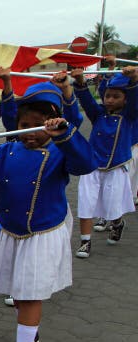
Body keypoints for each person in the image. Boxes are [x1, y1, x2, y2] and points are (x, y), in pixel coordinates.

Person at [0, 82, 95, 342]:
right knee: (19, 287)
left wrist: (64, 135)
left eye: (39, 126)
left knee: (29, 293)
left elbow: (86, 165)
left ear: (52, 124)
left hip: (42, 233)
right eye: (24, 125)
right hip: (10, 231)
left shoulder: (60, 151)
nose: (30, 131)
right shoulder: (7, 150)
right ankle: (31, 333)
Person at [72, 64, 138, 257]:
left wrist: (134, 80)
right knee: (86, 202)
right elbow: (86, 101)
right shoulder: (98, 114)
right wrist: (80, 81)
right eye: (107, 95)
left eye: (116, 97)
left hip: (116, 167)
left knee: (112, 205)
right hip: (92, 166)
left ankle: (117, 223)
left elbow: (136, 101)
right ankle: (85, 242)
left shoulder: (130, 116)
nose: (109, 100)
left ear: (126, 99)